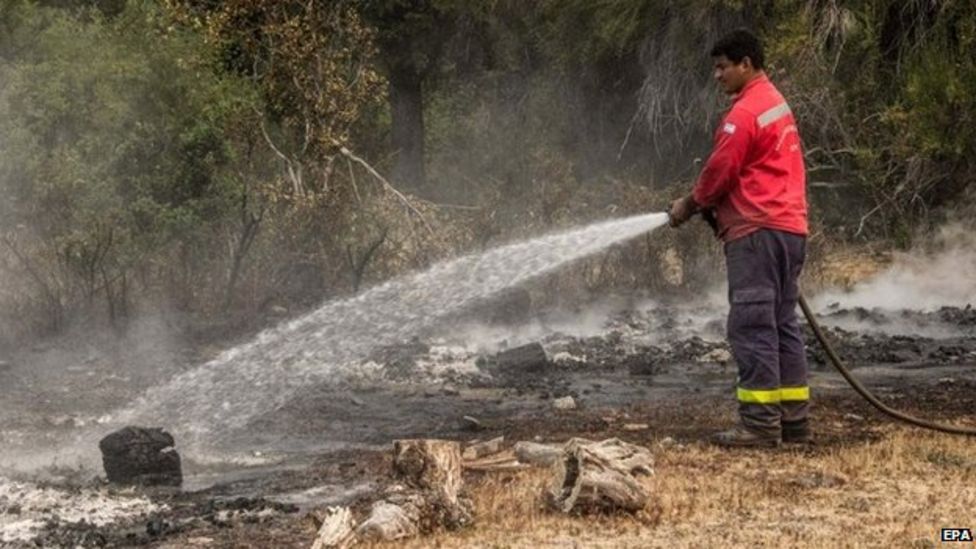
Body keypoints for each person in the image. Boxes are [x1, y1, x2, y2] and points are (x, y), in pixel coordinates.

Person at [668, 29, 810, 448]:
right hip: (788, 230)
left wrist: (689, 204)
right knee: (783, 325)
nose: (717, 75)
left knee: (752, 327)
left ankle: (760, 425)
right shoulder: (775, 103)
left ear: (746, 63)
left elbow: (720, 171)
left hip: (756, 234)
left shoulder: (745, 114)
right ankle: (794, 424)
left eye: (722, 66)